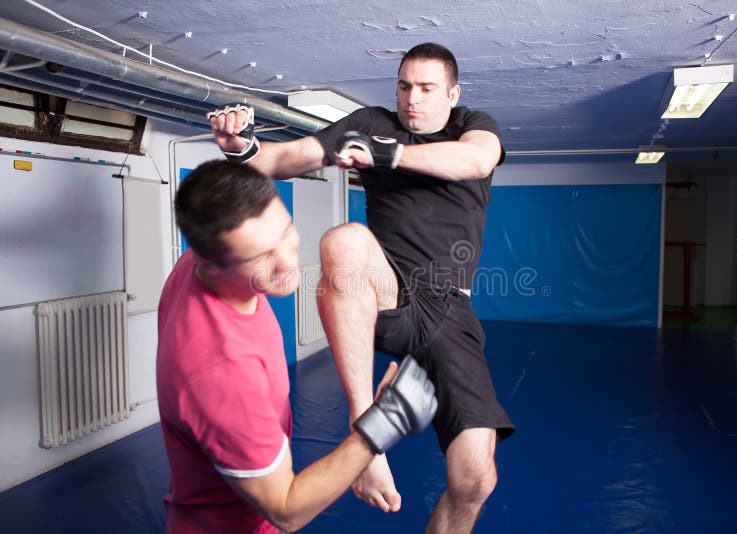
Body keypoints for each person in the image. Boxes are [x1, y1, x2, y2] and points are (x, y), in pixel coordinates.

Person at [208, 42, 515, 533]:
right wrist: (241, 148)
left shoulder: (472, 126)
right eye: (404, 86)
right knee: (345, 241)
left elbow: (477, 160)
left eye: (427, 88)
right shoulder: (370, 123)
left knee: (475, 480)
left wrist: (388, 155)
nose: (412, 98)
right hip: (385, 291)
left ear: (452, 94)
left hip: (450, 315)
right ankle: (365, 432)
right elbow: (289, 156)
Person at [156, 160, 437, 533]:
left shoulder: (198, 261)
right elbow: (286, 510)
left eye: (286, 232)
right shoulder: (223, 375)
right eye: (259, 256)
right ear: (211, 266)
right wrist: (381, 426)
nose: (287, 263)